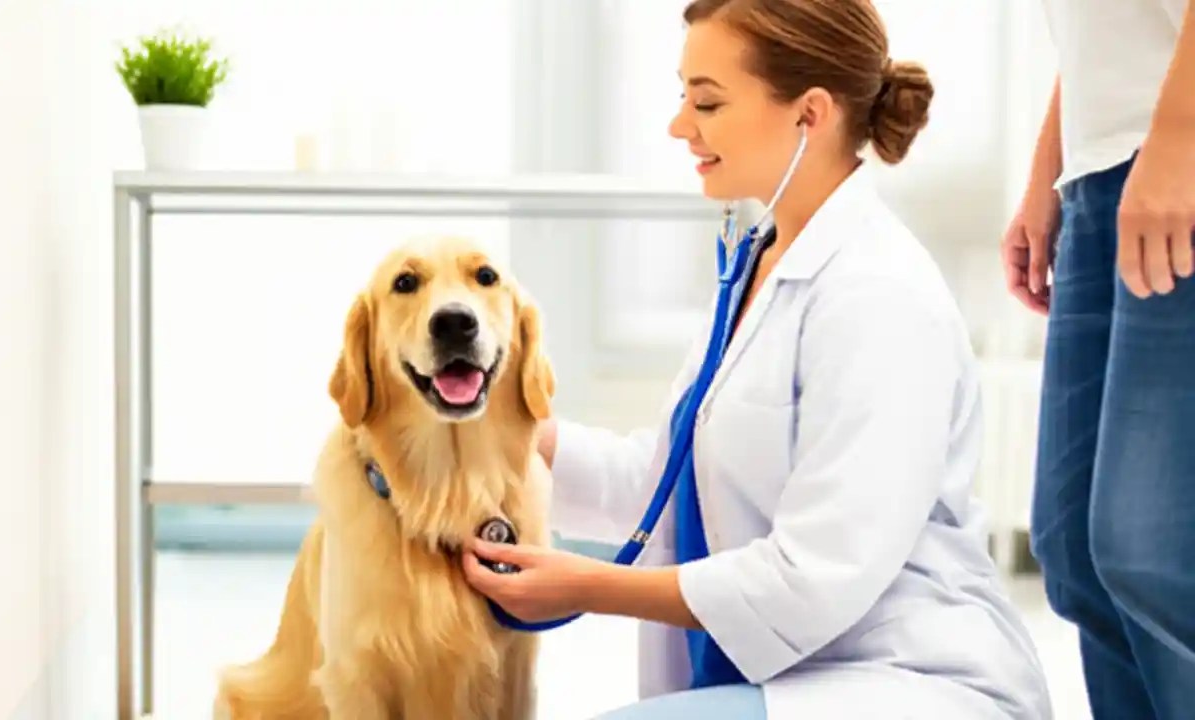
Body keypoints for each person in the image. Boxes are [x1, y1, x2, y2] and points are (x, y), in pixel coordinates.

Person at [462, 0, 1052, 718]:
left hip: (909, 683)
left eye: (706, 101)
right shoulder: (761, 262)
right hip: (799, 677)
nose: (681, 126)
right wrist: (521, 434)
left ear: (810, 114)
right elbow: (680, 488)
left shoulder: (880, 296)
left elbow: (815, 574)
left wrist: (586, 586)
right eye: (683, 97)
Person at [1002, 0, 1195, 717]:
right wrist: (1049, 172)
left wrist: (1178, 139)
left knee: (1153, 553)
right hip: (1103, 172)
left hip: (1176, 154)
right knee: (1073, 549)